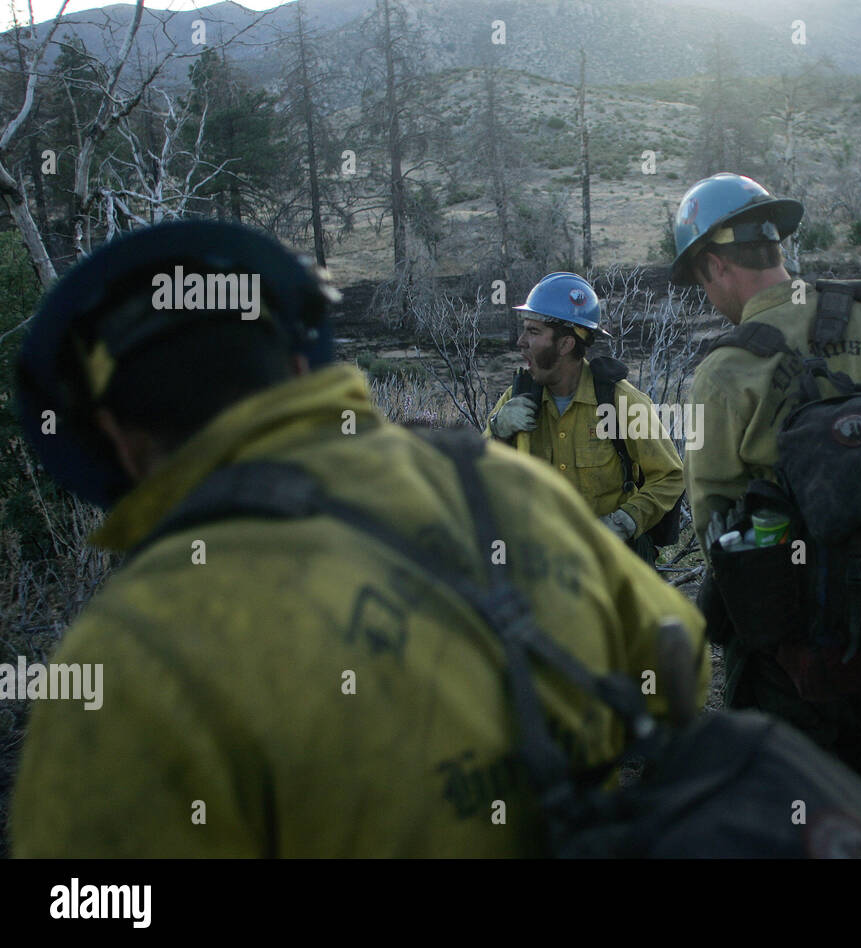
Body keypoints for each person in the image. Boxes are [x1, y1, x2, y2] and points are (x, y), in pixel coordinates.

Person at [11, 221, 708, 857]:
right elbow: (680, 658)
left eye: (534, 330)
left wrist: (617, 529)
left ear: (117, 441)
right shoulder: (496, 479)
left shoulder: (127, 658)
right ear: (294, 372)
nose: (523, 342)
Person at [675, 172, 861, 803]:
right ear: (776, 248)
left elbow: (714, 517)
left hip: (789, 641)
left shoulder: (724, 371)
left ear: (713, 265)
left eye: (702, 284)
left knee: (784, 785)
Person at [485, 272, 684, 565]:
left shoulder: (620, 401)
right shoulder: (516, 399)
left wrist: (625, 521)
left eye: (533, 332)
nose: (520, 342)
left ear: (565, 344)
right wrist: (497, 431)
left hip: (612, 564)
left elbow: (670, 475)